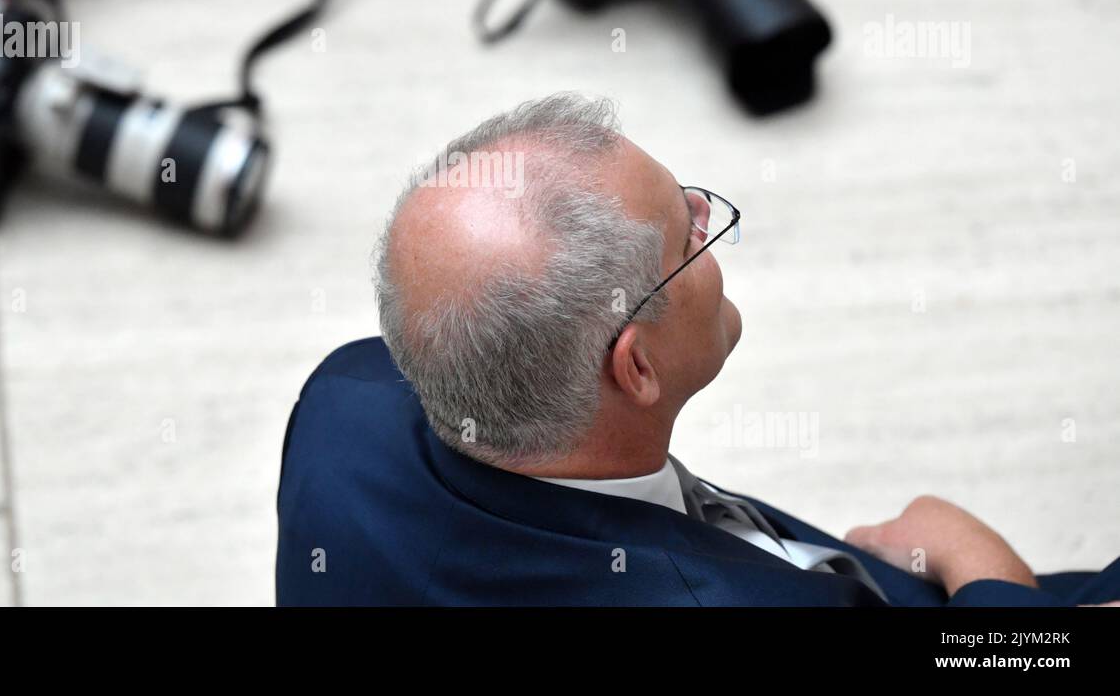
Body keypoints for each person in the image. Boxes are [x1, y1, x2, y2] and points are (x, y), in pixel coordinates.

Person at [276, 93, 1120, 605]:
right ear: (635, 366)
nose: (710, 234)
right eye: (689, 234)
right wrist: (975, 559)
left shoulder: (342, 401)